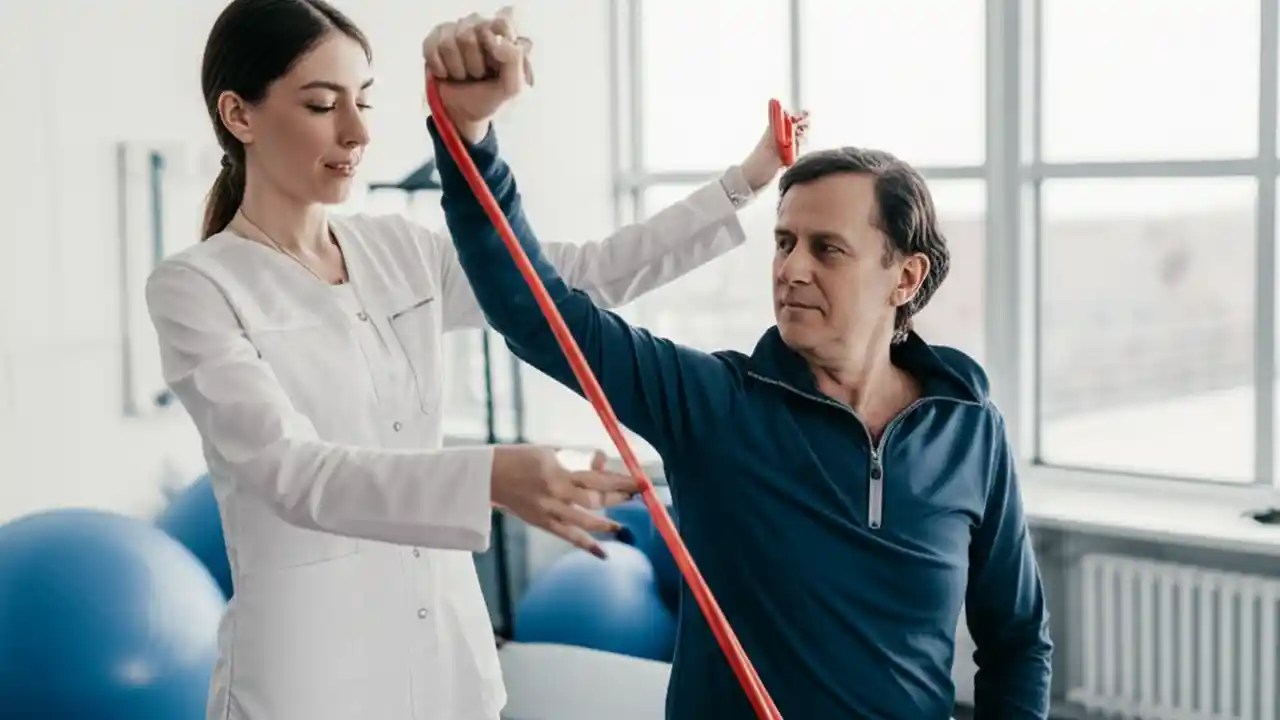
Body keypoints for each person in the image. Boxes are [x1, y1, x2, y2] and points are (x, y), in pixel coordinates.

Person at [144, 2, 796, 719]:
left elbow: (574, 281)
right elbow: (290, 473)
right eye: (322, 105)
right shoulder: (197, 286)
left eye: (363, 101)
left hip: (446, 666)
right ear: (239, 114)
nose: (357, 132)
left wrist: (746, 181)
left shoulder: (400, 249)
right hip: (308, 682)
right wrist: (490, 474)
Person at [429, 69, 1054, 720]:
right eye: (783, 242)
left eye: (827, 249)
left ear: (906, 277)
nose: (791, 268)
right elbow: (536, 313)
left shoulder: (970, 429)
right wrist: (470, 139)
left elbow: (1016, 642)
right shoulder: (716, 403)